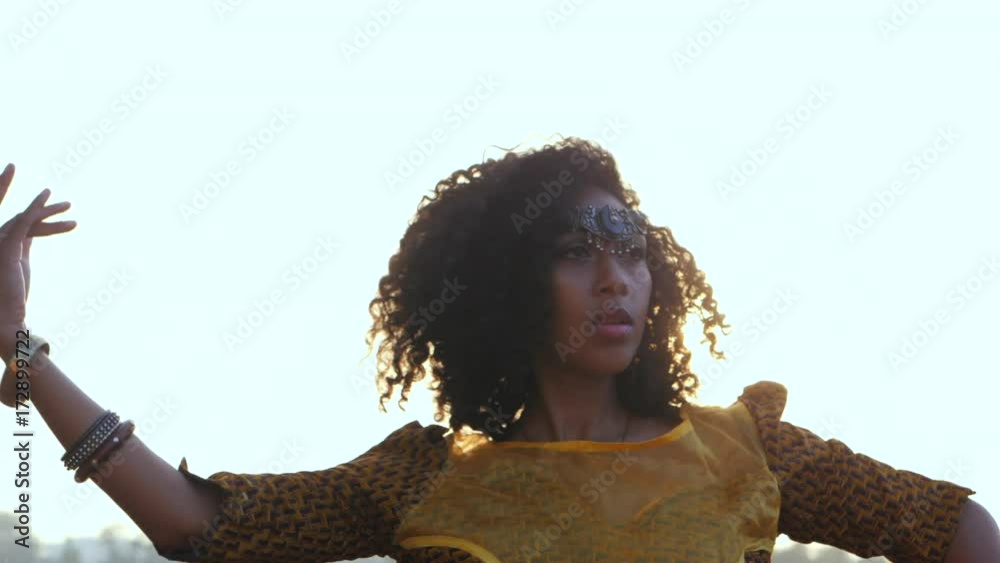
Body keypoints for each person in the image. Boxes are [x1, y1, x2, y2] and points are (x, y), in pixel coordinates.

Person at [0, 138, 996, 563]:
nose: (615, 277)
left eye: (631, 250)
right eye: (575, 251)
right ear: (505, 288)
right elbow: (200, 528)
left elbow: (954, 527)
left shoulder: (748, 448)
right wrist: (20, 348)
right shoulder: (422, 480)